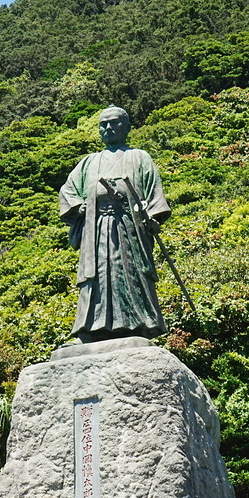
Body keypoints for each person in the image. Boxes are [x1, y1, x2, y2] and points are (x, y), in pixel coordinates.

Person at [59, 106, 171, 343]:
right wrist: (79, 206)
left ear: (127, 127)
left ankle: (138, 325)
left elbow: (153, 194)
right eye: (103, 124)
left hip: (129, 227)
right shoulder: (89, 162)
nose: (108, 128)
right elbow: (68, 190)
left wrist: (153, 217)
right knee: (96, 276)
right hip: (97, 228)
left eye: (114, 123)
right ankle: (90, 328)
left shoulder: (139, 157)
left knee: (130, 273)